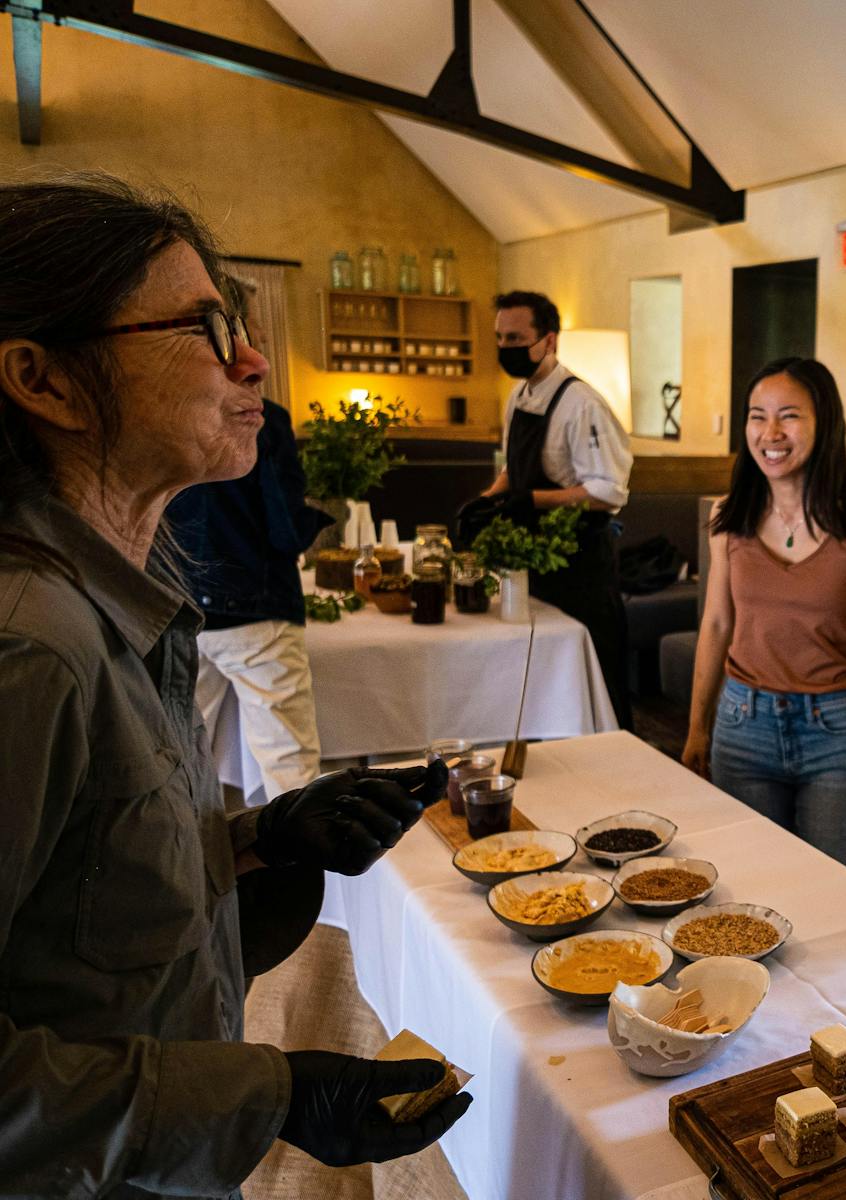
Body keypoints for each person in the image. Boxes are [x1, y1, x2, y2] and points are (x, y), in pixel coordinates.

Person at [0, 174, 471, 1198]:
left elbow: (74, 920)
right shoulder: (30, 648)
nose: (252, 358)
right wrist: (272, 1095)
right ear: (46, 380)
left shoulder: (119, 601)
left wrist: (261, 841)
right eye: (206, 328)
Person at [680, 358, 846, 876]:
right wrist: (697, 726)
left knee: (836, 891)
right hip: (742, 725)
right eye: (757, 416)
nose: (771, 433)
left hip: (838, 732)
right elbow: (716, 624)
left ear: (824, 423)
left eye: (789, 416)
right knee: (749, 886)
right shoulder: (728, 515)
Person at [166, 274, 329, 805]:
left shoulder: (164, 417)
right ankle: (310, 884)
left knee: (187, 759)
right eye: (248, 331)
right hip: (257, 608)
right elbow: (282, 523)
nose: (255, 351)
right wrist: (315, 525)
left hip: (181, 605)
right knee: (290, 765)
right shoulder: (263, 419)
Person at [477, 289, 635, 730]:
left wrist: (532, 501)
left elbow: (608, 491)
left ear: (549, 340)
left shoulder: (582, 404)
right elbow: (516, 468)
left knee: (595, 676)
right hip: (535, 559)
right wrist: (487, 500)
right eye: (500, 339)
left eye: (516, 338)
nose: (507, 349)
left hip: (581, 563)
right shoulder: (517, 398)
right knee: (544, 677)